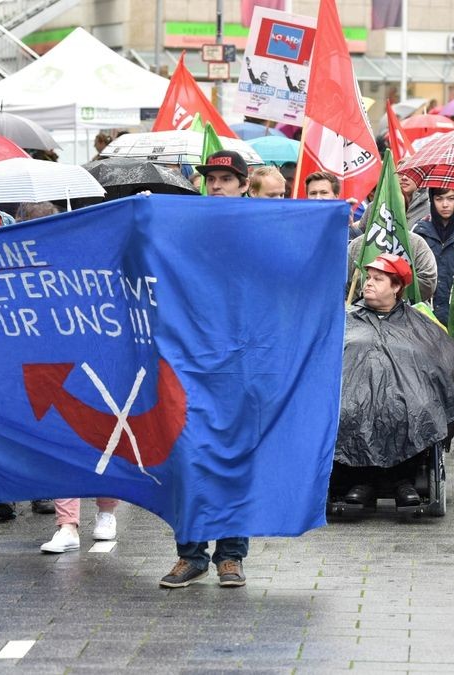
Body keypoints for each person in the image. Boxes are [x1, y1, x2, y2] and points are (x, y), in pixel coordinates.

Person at [160, 149, 249, 589]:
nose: (216, 186)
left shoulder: (260, 232)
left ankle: (230, 556)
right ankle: (190, 555)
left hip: (239, 365)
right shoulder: (186, 230)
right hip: (189, 361)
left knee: (232, 458)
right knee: (188, 458)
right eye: (211, 178)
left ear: (244, 185)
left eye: (226, 179)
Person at [334, 253, 454, 507]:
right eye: (368, 278)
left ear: (396, 287)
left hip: (407, 396)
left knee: (416, 410)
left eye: (378, 279)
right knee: (346, 411)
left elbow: (444, 358)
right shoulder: (348, 320)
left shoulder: (417, 323)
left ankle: (402, 480)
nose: (368, 283)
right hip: (353, 394)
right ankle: (360, 480)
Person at [412, 187, 454, 449]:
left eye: (450, 198)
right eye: (439, 198)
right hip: (428, 312)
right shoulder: (419, 230)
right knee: (434, 373)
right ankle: (443, 427)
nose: (445, 204)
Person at [304, 171, 362, 240]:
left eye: (324, 193)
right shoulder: (296, 226)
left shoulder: (351, 231)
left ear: (336, 196)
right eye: (313, 193)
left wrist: (347, 227)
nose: (318, 197)